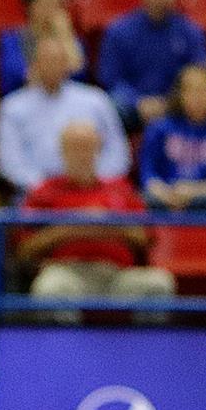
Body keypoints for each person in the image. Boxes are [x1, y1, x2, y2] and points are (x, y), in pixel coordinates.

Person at [18, 119, 174, 300]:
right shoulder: (43, 193)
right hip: (67, 272)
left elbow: (146, 238)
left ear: (97, 150)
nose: (82, 155)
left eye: (87, 148)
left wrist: (108, 223)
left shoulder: (121, 189)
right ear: (62, 152)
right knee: (50, 288)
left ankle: (144, 331)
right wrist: (72, 226)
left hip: (117, 273)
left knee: (159, 284)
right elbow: (24, 249)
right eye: (75, 148)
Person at [0, 34, 129, 196]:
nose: (52, 66)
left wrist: (94, 183)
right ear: (34, 64)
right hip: (37, 193)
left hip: (95, 190)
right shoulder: (12, 107)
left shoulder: (96, 100)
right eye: (47, 60)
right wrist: (48, 189)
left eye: (57, 60)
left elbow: (117, 152)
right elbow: (9, 161)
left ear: (67, 63)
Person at [98, 0, 206, 129]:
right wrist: (138, 102)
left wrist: (168, 103)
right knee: (109, 105)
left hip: (176, 108)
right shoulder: (119, 31)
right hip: (130, 109)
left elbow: (198, 77)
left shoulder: (191, 33)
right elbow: (111, 79)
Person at [138, 64, 206, 210]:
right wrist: (165, 193)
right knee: (146, 201)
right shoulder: (159, 129)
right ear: (178, 95)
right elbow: (148, 172)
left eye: (203, 90)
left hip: (203, 197)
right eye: (190, 91)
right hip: (163, 194)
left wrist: (193, 191)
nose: (197, 97)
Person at [0, 0, 84, 97]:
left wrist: (65, 37)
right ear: (29, 6)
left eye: (58, 4)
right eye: (47, 3)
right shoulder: (12, 40)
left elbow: (80, 76)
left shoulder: (71, 40)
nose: (52, 10)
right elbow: (12, 78)